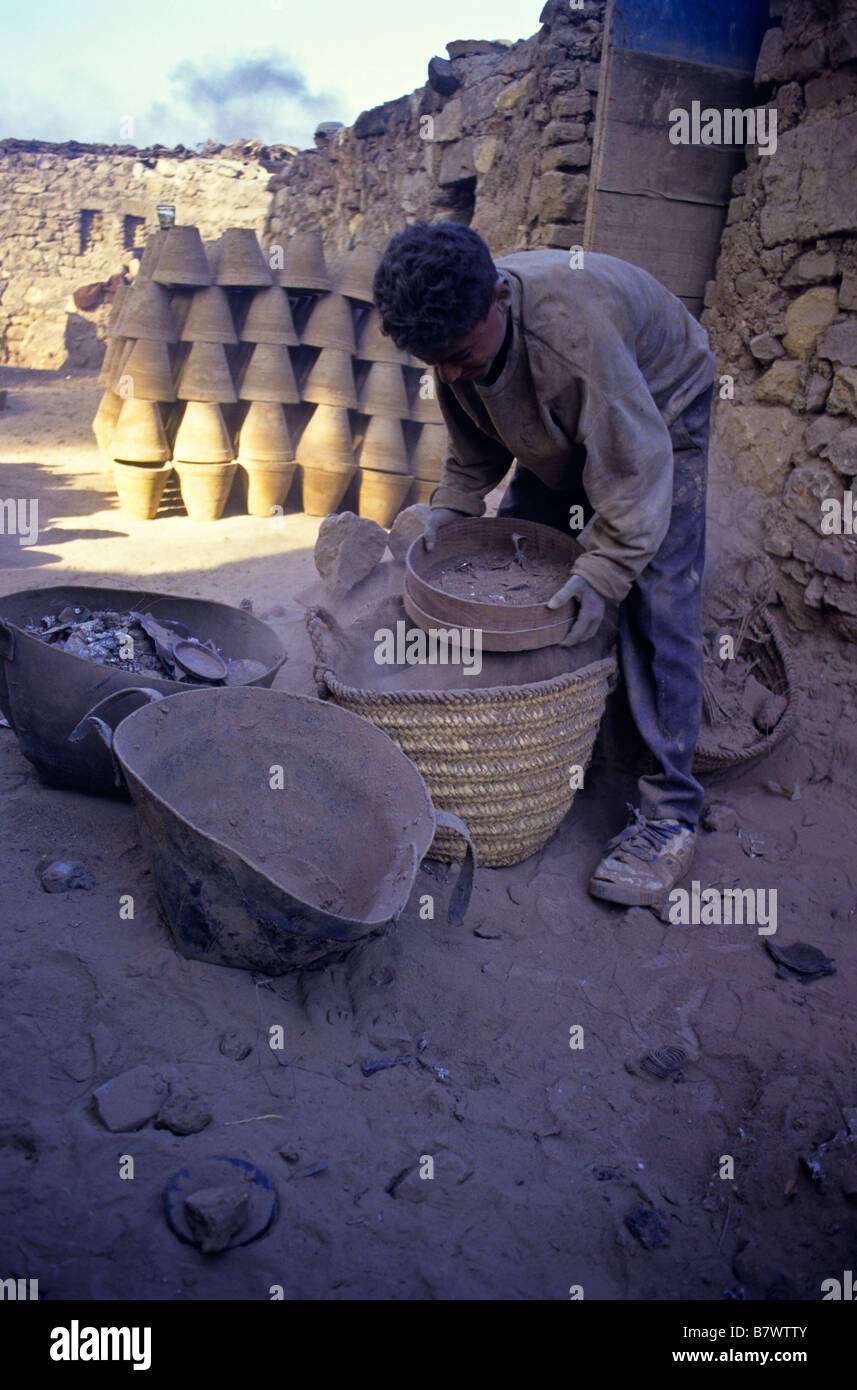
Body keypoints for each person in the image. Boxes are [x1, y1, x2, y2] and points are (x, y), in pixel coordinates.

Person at [372, 220, 716, 907]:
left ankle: (670, 813)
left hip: (659, 409)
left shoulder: (569, 340)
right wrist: (457, 505)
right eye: (432, 361)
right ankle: (555, 743)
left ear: (500, 297)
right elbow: (473, 423)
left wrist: (605, 567)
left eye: (461, 355)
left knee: (655, 597)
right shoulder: (458, 332)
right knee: (523, 563)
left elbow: (633, 466)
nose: (448, 373)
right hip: (565, 415)